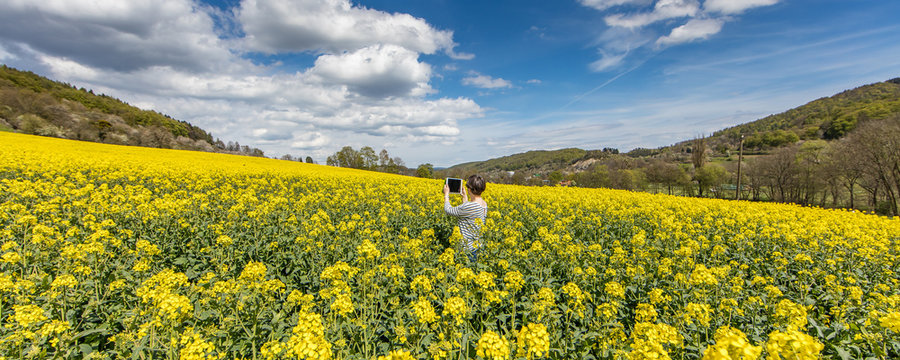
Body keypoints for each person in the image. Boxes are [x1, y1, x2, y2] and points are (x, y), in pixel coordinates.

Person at [443, 174, 488, 262]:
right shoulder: (483, 204)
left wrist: (446, 194)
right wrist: (465, 197)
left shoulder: (469, 206)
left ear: (469, 189)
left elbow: (448, 210)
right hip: (477, 246)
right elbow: (469, 214)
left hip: (467, 249)